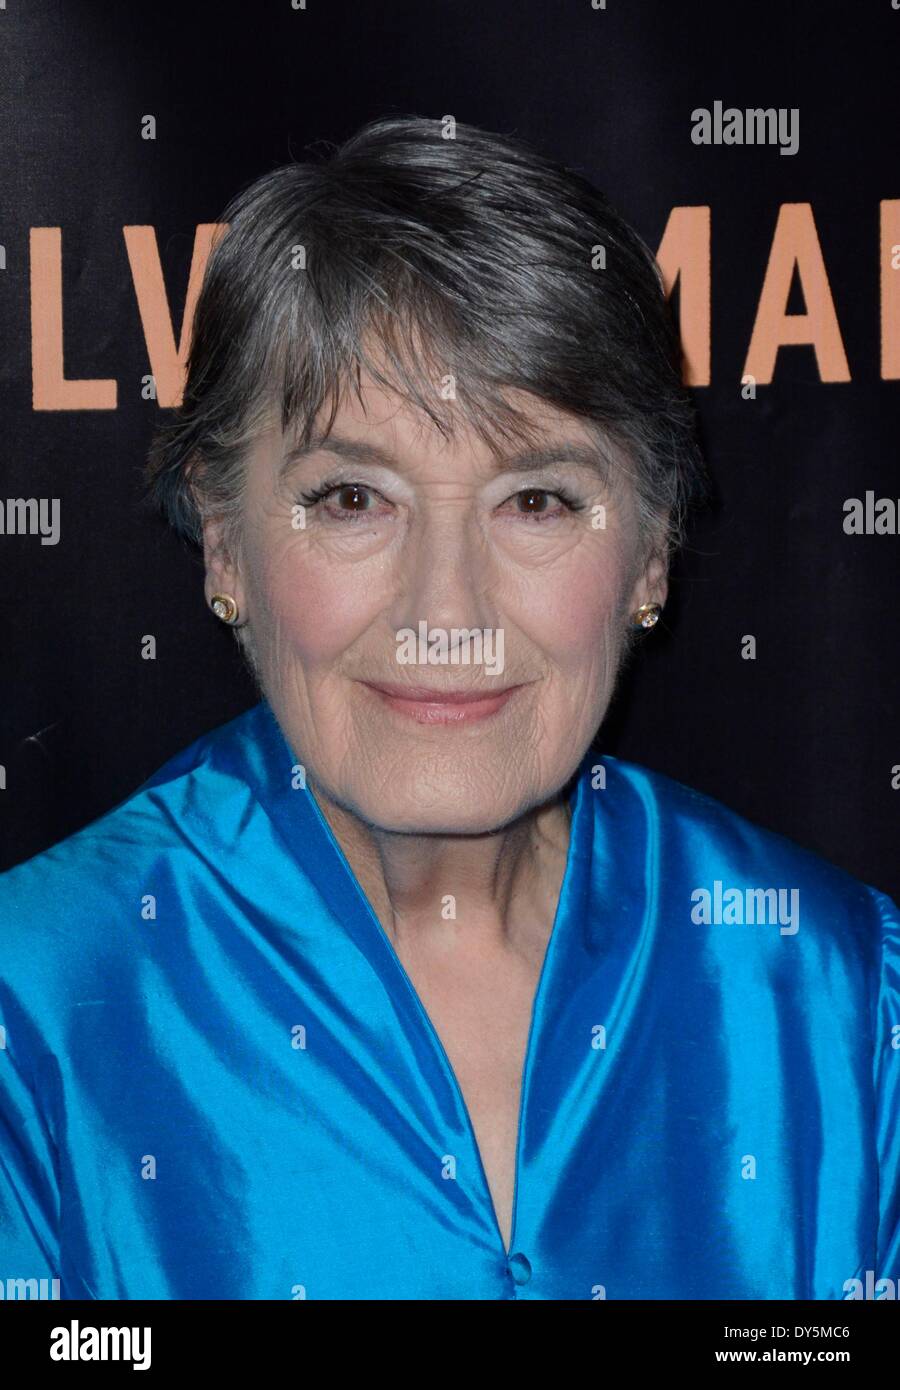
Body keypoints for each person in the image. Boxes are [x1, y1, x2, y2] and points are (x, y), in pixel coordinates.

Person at [0, 116, 896, 1300]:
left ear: (651, 555)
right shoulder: (33, 1006)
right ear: (224, 542)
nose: (446, 607)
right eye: (353, 496)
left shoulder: (838, 990)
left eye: (535, 500)